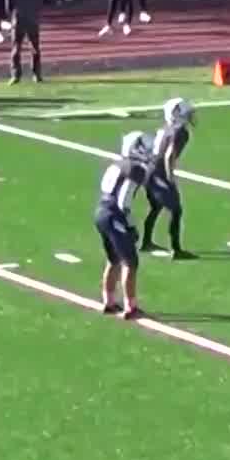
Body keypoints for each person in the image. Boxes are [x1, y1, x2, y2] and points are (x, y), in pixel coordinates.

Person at [96, 132, 154, 319]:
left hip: (101, 212)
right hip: (115, 215)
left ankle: (108, 301)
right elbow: (124, 200)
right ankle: (131, 307)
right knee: (130, 261)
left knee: (113, 259)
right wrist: (129, 224)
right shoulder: (136, 169)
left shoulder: (116, 164)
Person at [140, 98, 196, 259]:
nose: (190, 116)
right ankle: (176, 249)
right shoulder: (180, 131)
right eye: (187, 113)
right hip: (159, 172)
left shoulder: (166, 128)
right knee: (176, 211)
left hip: (150, 170)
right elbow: (169, 155)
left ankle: (146, 242)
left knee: (156, 207)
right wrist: (169, 176)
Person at [5, 0, 44, 84]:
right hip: (18, 22)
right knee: (16, 49)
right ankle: (15, 75)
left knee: (35, 49)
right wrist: (12, 19)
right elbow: (8, 7)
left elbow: (39, 3)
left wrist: (35, 15)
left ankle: (36, 74)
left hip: (32, 21)